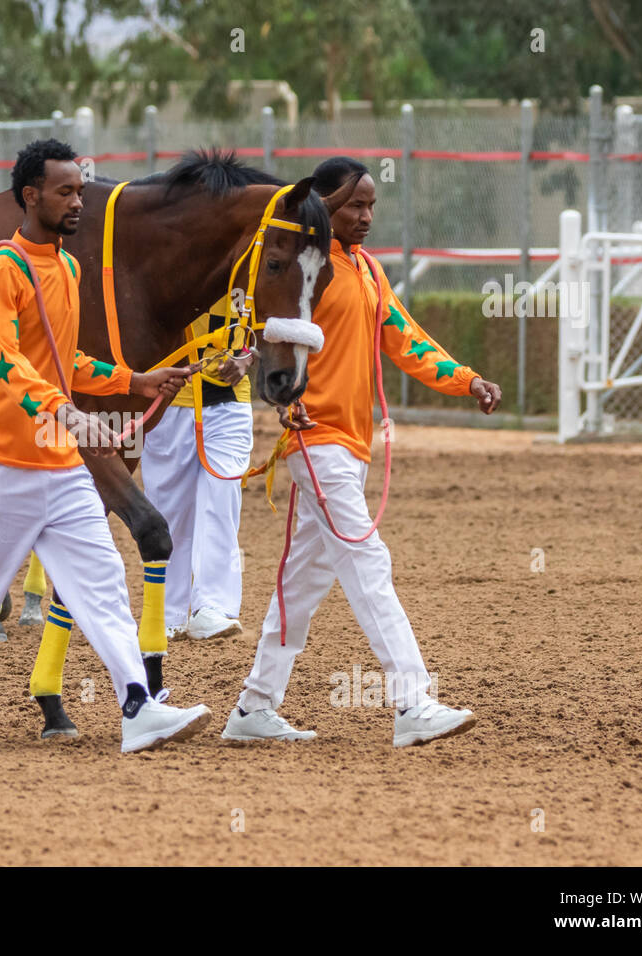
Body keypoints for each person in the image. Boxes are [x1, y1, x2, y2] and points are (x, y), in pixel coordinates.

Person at [0, 139, 211, 755]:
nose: (77, 201)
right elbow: (6, 360)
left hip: (60, 468)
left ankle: (138, 705)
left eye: (81, 191)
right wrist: (61, 410)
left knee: (101, 583)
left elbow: (63, 364)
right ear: (30, 195)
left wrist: (133, 381)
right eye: (65, 191)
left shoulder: (67, 268)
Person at [222, 156, 503, 748]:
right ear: (323, 204)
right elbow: (265, 335)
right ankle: (413, 702)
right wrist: (280, 404)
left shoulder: (370, 270)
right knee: (368, 562)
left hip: (350, 446)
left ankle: (253, 708)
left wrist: (467, 380)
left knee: (299, 586)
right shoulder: (306, 267)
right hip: (316, 438)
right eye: (355, 205)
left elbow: (406, 338)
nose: (367, 215)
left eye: (372, 205)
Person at [140, 296, 254, 641]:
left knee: (222, 497)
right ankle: (168, 613)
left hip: (231, 399)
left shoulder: (254, 257)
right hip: (170, 398)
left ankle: (214, 608)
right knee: (169, 509)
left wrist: (248, 357)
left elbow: (265, 326)